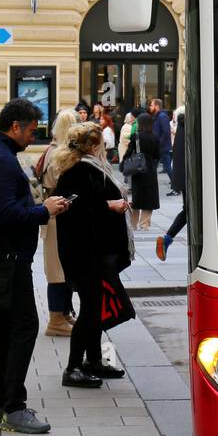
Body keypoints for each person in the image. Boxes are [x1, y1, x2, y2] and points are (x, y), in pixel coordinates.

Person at [0, 99, 70, 433]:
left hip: (6, 258)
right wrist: (44, 210)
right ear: (15, 126)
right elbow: (6, 215)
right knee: (25, 325)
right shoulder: (1, 161)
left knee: (3, 327)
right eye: (31, 130)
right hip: (9, 261)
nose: (34, 136)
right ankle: (14, 406)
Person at [54, 123, 132, 388]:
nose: (106, 148)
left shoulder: (90, 167)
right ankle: (73, 367)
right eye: (102, 144)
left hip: (95, 251)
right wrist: (109, 205)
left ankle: (94, 360)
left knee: (95, 307)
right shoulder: (78, 171)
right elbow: (74, 209)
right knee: (90, 308)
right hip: (84, 253)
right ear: (92, 146)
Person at [39, 108, 80, 338]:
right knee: (57, 272)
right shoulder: (59, 154)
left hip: (57, 217)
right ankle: (56, 318)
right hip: (57, 217)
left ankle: (63, 313)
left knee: (63, 270)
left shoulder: (53, 151)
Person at [157, 108, 186, 261]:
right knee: (190, 211)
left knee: (188, 211)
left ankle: (167, 239)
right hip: (190, 177)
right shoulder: (189, 124)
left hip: (183, 176)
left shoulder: (182, 125)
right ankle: (166, 239)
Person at [128, 110, 160, 229]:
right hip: (150, 169)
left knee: (137, 196)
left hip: (138, 168)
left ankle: (133, 224)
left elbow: (129, 152)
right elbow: (157, 155)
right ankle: (144, 224)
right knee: (149, 197)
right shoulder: (155, 137)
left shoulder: (135, 136)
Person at [149, 98, 173, 185]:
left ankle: (175, 184)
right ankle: (151, 183)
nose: (150, 107)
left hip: (162, 147)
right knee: (153, 166)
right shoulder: (158, 116)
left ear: (157, 106)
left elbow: (166, 132)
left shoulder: (162, 116)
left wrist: (158, 143)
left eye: (151, 105)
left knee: (167, 166)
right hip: (159, 147)